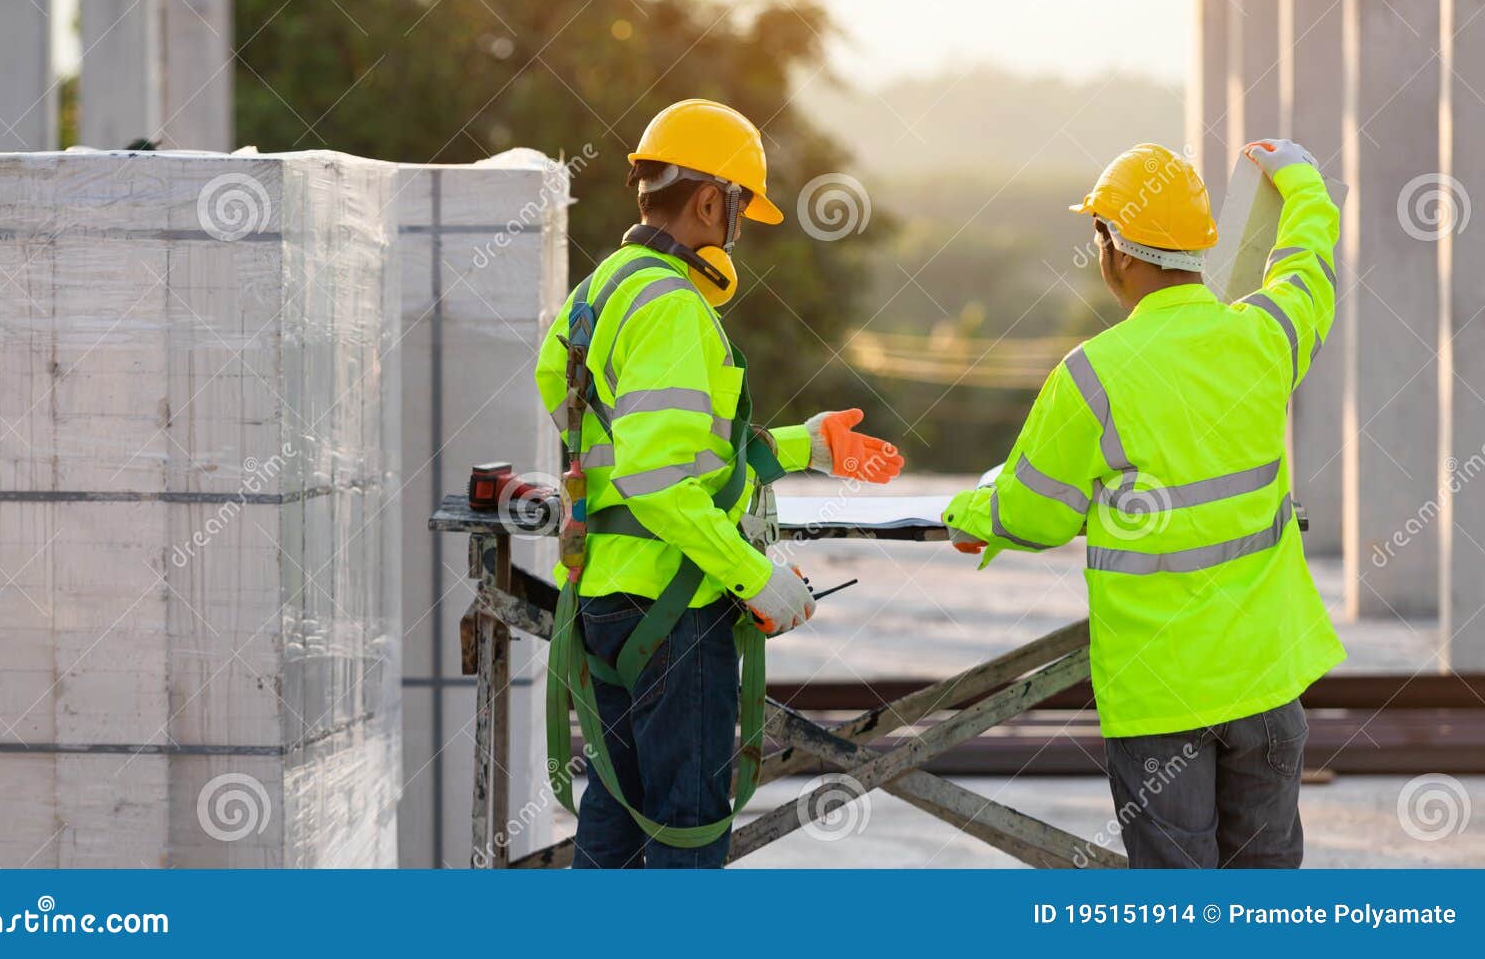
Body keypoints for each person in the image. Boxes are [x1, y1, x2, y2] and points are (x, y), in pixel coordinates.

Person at [943, 139, 1345, 868]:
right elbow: (1308, 269)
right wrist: (1303, 181)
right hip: (1264, 681)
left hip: (1162, 699)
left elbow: (1031, 512)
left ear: (1116, 250)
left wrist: (970, 513)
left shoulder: (1091, 375)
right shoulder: (1262, 337)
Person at [535, 98, 903, 868]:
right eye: (738, 208)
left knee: (617, 816)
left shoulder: (599, 294)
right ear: (710, 201)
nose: (738, 228)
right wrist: (752, 573)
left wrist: (810, 446)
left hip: (605, 595)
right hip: (676, 608)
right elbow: (658, 479)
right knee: (687, 831)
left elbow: (628, 441)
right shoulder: (673, 309)